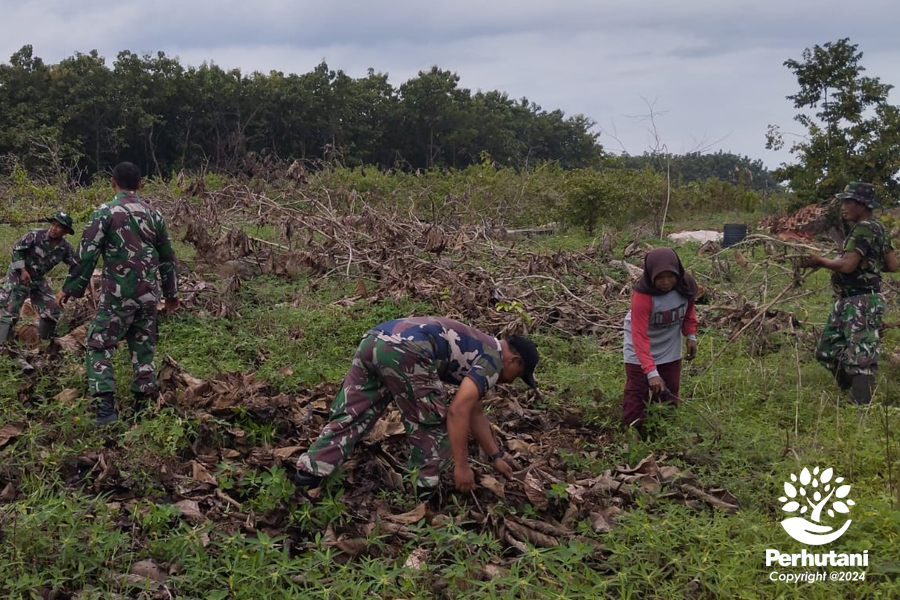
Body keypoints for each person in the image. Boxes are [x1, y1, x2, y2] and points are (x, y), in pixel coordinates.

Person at [293, 317, 539, 496]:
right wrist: (462, 468)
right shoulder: (493, 360)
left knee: (352, 414)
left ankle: (308, 476)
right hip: (408, 350)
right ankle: (424, 492)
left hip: (374, 340)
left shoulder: (481, 343)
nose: (511, 380)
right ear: (514, 360)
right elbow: (458, 411)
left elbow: (474, 409)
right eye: (518, 375)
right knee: (432, 424)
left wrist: (496, 456)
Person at [57, 162, 180, 424]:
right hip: (149, 295)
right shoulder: (155, 214)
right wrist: (171, 293)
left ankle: (105, 409)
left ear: (112, 182)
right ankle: (142, 405)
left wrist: (71, 289)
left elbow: (87, 254)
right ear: (141, 184)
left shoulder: (105, 212)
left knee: (97, 344)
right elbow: (168, 257)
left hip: (117, 295)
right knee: (143, 345)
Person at [801, 182, 898, 404]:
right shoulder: (879, 228)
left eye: (849, 202)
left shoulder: (864, 228)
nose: (843, 206)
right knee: (827, 350)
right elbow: (892, 265)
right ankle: (849, 391)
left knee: (861, 357)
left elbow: (846, 266)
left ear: (862, 205)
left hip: (861, 301)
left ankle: (860, 408)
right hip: (851, 300)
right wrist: (868, 263)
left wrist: (820, 261)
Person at [622, 247, 699, 427]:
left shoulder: (685, 285)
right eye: (660, 277)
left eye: (670, 276)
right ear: (651, 275)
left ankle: (664, 432)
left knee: (669, 391)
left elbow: (689, 311)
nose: (666, 282)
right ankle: (634, 433)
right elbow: (639, 336)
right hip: (639, 347)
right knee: (637, 391)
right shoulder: (643, 295)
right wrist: (650, 372)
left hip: (669, 345)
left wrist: (691, 334)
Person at [0, 212, 79, 345]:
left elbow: (76, 265)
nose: (54, 228)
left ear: (65, 231)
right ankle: (3, 346)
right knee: (9, 309)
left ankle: (44, 344)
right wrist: (23, 270)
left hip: (37, 279)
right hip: (18, 274)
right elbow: (17, 250)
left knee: (52, 308)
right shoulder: (35, 235)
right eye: (53, 224)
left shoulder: (65, 248)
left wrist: (70, 287)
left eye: (59, 226)